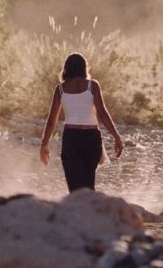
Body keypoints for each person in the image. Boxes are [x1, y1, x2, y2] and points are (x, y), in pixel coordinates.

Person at [40, 52, 124, 192]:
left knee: (74, 187)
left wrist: (44, 144)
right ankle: (88, 211)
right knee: (88, 183)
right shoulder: (92, 86)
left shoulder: (60, 89)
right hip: (91, 138)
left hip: (71, 138)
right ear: (84, 68)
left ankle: (77, 211)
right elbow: (103, 114)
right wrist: (116, 136)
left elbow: (51, 121)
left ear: (66, 69)